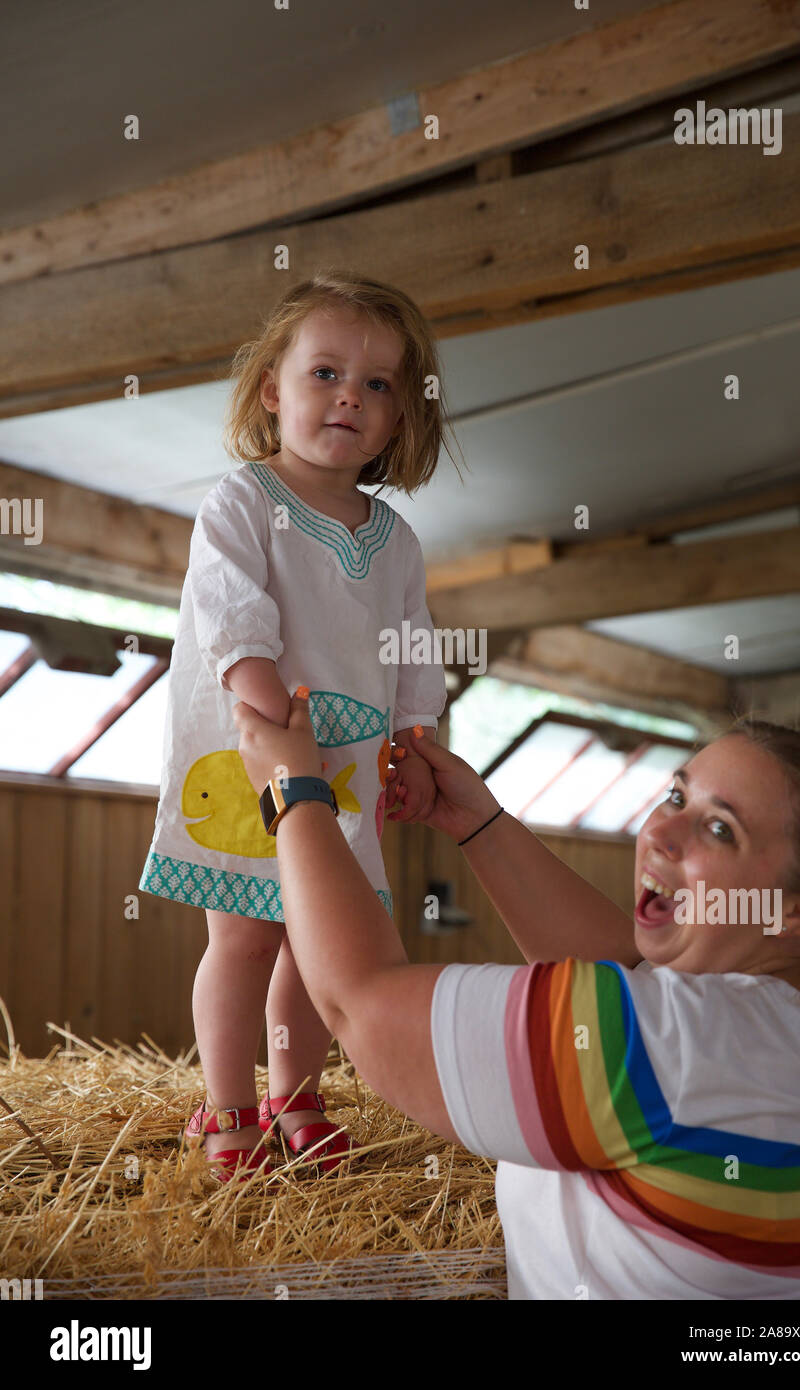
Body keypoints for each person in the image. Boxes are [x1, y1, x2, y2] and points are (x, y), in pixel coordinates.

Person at [232, 691, 800, 1299]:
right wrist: (476, 822)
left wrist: (294, 791)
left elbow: (360, 1000)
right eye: (676, 794)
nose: (663, 832)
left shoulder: (669, 1048)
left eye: (721, 829)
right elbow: (627, 967)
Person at [139, 270, 460, 1179]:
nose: (349, 397)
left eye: (378, 384)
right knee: (243, 936)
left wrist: (414, 741)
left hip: (350, 767)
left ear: (400, 420)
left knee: (321, 941)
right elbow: (231, 613)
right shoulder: (244, 503)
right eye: (324, 373)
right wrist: (271, 714)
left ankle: (295, 1095)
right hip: (252, 755)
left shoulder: (394, 541)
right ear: (270, 389)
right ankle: (227, 1107)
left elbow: (411, 648)